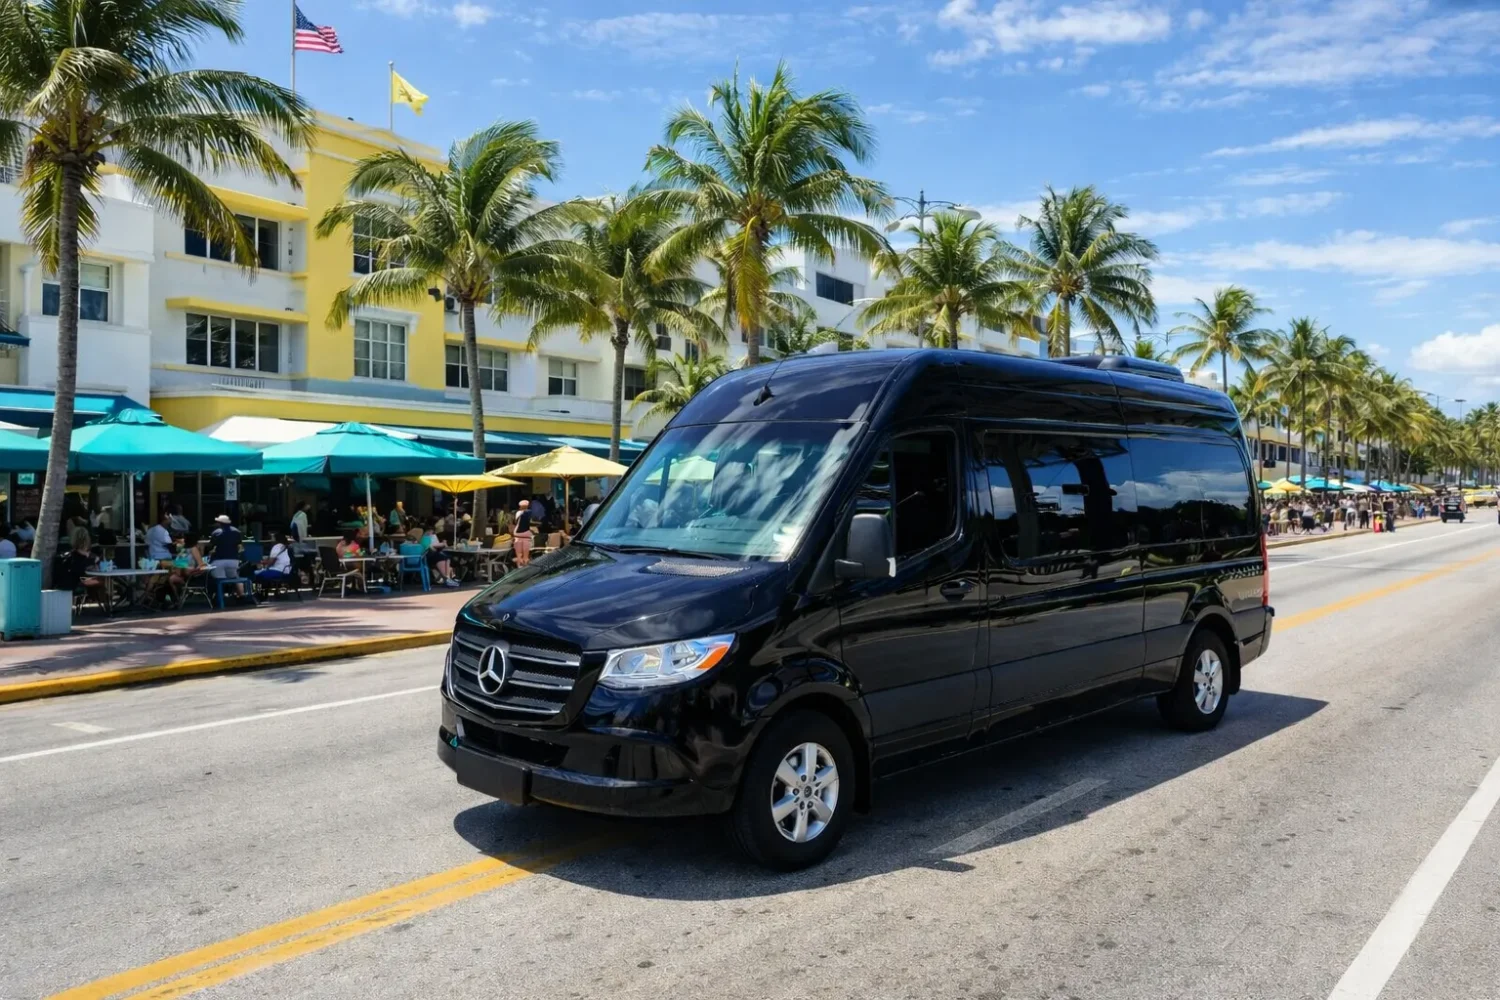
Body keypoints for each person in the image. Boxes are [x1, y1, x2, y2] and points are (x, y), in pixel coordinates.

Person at [207, 514, 248, 601]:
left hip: (218, 561)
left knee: (219, 579)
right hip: (233, 560)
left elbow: (211, 546)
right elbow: (239, 547)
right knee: (234, 577)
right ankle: (242, 595)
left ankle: (220, 598)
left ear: (220, 523)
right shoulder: (237, 532)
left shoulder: (216, 532)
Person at [512, 499, 534, 567]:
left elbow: (515, 522)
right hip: (526, 536)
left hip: (517, 535)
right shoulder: (529, 512)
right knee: (526, 556)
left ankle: (519, 568)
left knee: (519, 555)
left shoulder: (517, 513)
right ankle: (526, 568)